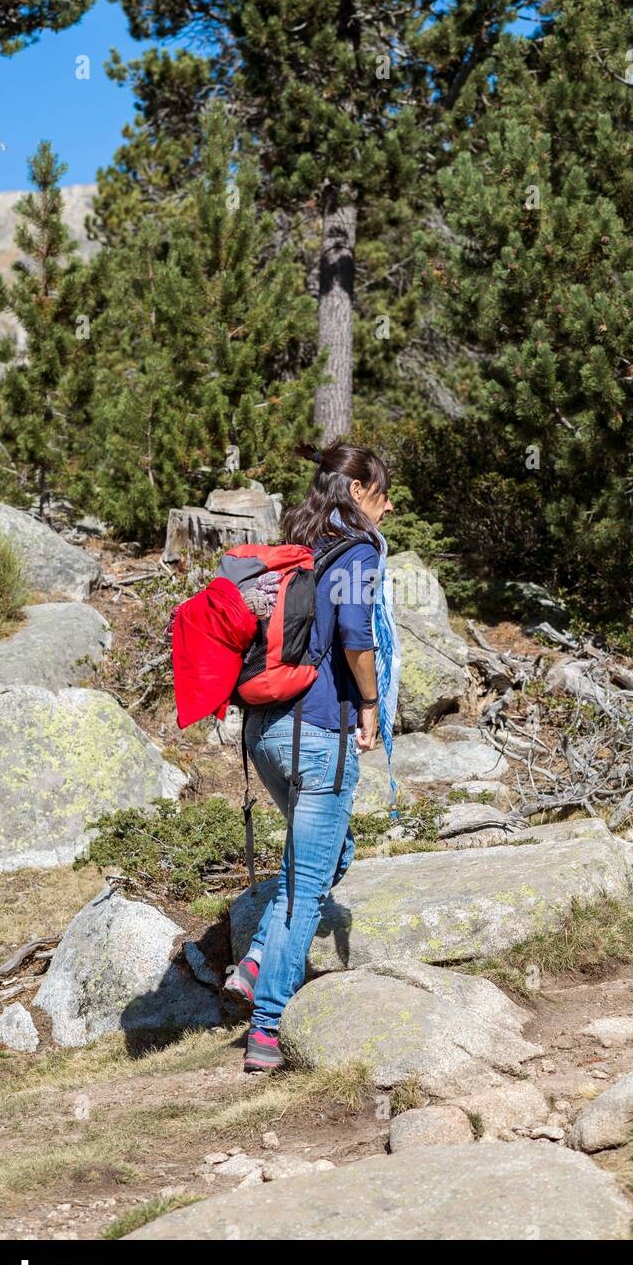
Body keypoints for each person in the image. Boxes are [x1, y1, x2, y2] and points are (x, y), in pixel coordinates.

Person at [227, 441, 399, 1072]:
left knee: (332, 853)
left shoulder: (296, 546)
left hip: (264, 733)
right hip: (317, 736)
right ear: (358, 493)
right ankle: (268, 1027)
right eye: (382, 493)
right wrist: (371, 707)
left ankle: (253, 964)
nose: (387, 506)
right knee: (306, 884)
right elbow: (356, 637)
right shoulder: (354, 552)